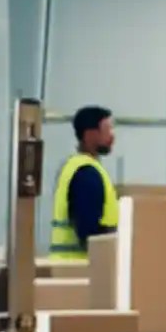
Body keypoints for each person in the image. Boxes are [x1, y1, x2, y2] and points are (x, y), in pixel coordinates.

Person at [49, 106, 117, 260]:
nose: (112, 137)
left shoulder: (76, 166)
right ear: (90, 135)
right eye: (107, 130)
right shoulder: (86, 173)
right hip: (80, 269)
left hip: (70, 269)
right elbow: (89, 232)